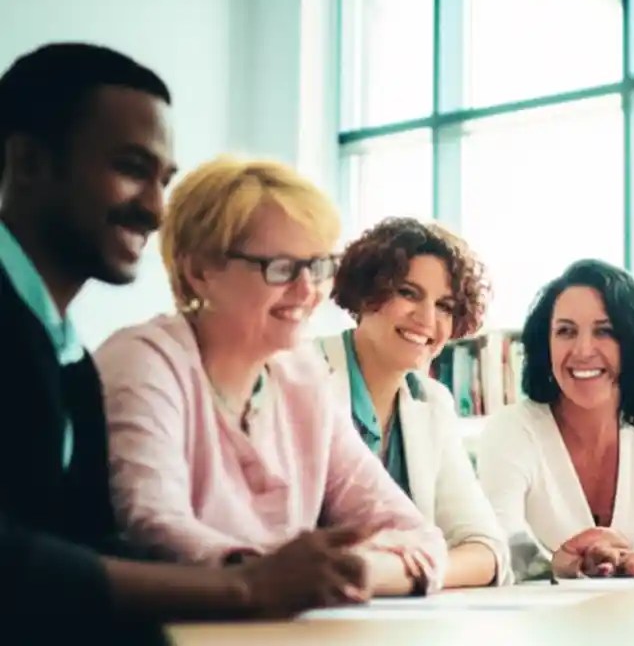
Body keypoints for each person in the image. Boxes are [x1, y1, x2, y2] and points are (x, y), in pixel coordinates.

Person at [0, 42, 379, 633]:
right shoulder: (125, 358)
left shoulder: (66, 354)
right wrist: (245, 584)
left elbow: (86, 549)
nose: (155, 210)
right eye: (130, 169)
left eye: (164, 179)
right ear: (26, 163)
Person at [96, 155, 448, 596]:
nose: (307, 291)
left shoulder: (303, 378)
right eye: (280, 268)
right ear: (200, 271)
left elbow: (421, 537)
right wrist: (276, 577)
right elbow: (154, 528)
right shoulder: (145, 362)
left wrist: (348, 571)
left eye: (318, 266)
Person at [321, 216, 510, 588]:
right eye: (408, 292)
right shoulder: (301, 376)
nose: (427, 319)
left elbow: (488, 549)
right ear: (365, 293)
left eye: (445, 306)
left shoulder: (432, 402)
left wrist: (404, 575)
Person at [476, 259, 634, 580]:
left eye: (604, 331)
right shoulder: (510, 429)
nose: (583, 350)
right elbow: (499, 543)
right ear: (544, 344)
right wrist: (560, 565)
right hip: (536, 621)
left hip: (631, 614)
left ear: (633, 342)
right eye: (565, 331)